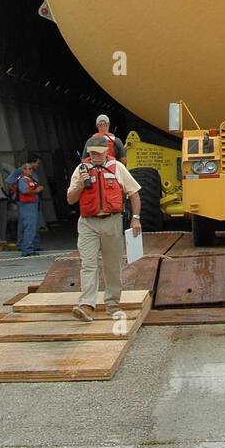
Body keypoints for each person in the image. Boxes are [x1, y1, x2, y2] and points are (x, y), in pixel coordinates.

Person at [66, 136, 142, 321]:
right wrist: (80, 184)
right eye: (91, 153)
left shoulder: (117, 168)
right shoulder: (81, 169)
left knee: (112, 265)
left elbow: (134, 193)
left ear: (106, 152)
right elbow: (70, 199)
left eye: (98, 153)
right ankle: (86, 305)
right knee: (88, 263)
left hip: (112, 221)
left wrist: (135, 219)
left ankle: (113, 303)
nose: (95, 157)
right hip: (88, 223)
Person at [14, 161, 42, 256]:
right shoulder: (23, 180)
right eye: (29, 169)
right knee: (29, 227)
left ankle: (28, 247)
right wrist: (36, 190)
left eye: (31, 169)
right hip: (27, 205)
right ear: (24, 170)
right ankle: (27, 249)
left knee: (29, 227)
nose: (31, 170)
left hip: (31, 204)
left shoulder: (29, 179)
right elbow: (24, 190)